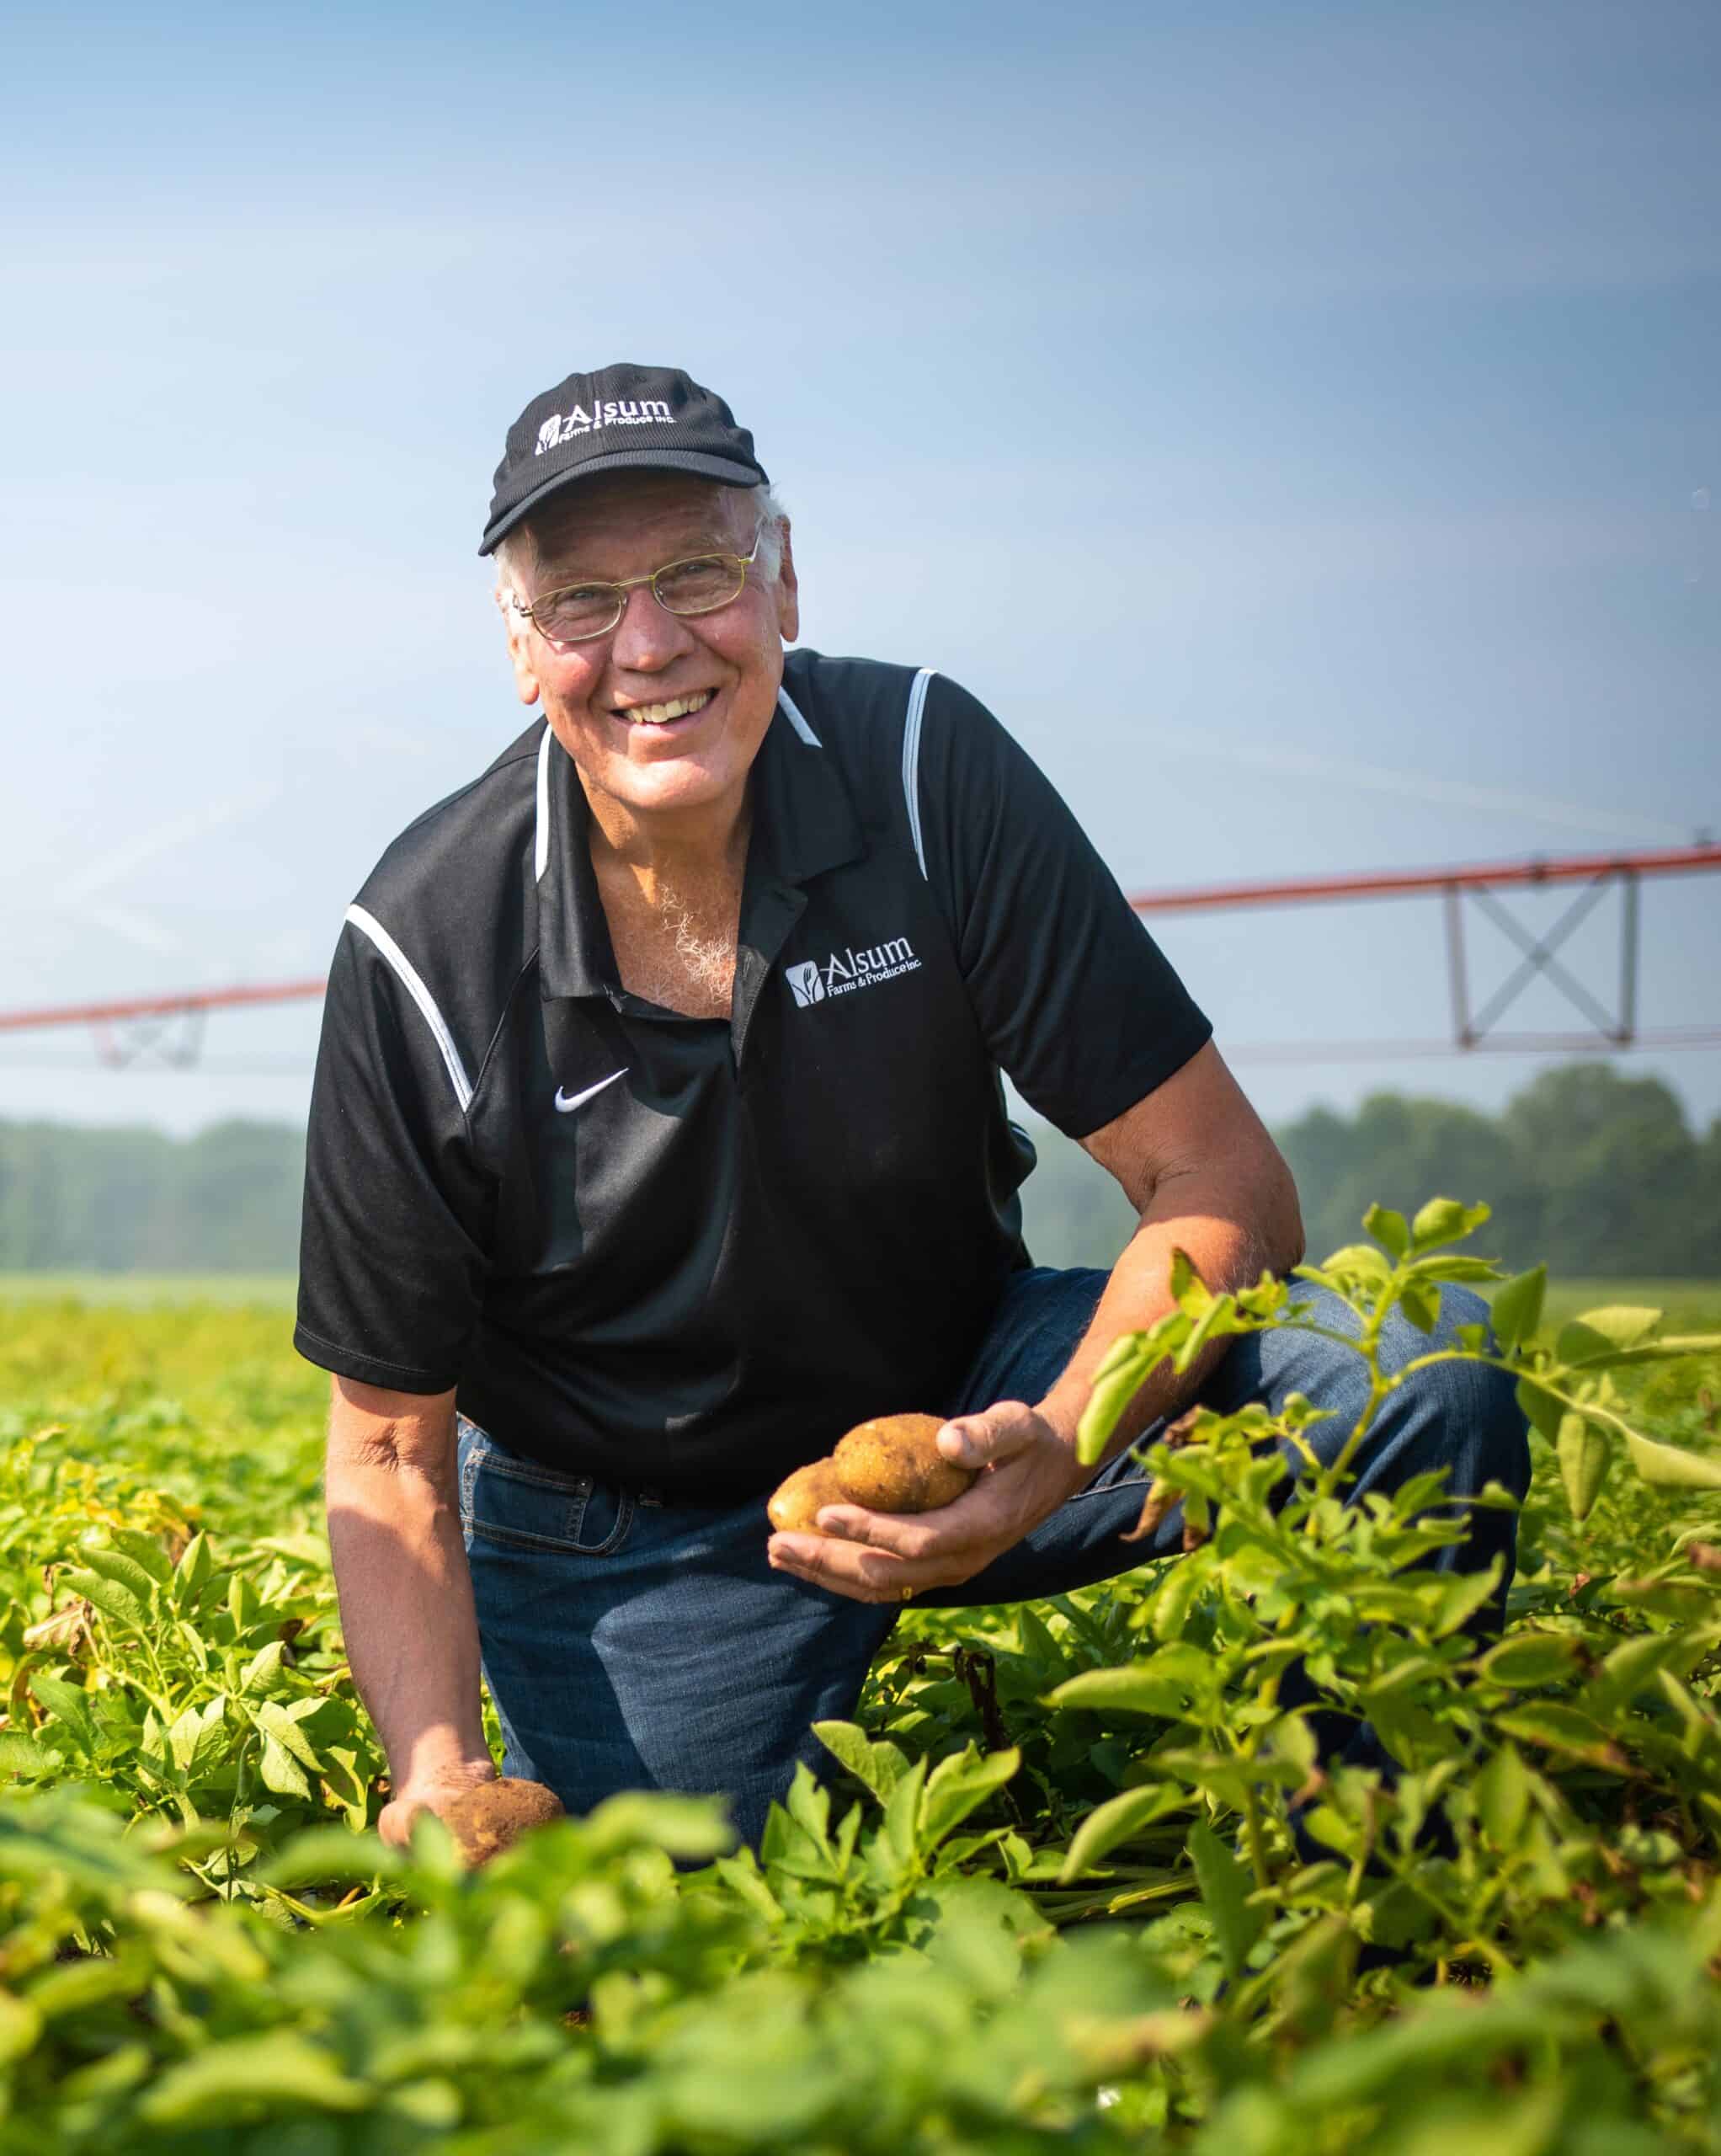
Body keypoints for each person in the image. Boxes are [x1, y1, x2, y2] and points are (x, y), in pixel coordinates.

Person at [296, 363, 1529, 1850]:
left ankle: (1368, 1888)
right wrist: (434, 1774)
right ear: (518, 645)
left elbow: (1219, 1180)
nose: (649, 644)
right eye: (582, 602)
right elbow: (383, 1448)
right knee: (704, 1921)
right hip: (627, 1508)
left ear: (785, 580)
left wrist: (1063, 1443)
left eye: (700, 573)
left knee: (1411, 1397)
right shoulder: (424, 946)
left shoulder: (924, 772)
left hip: (964, 1398)